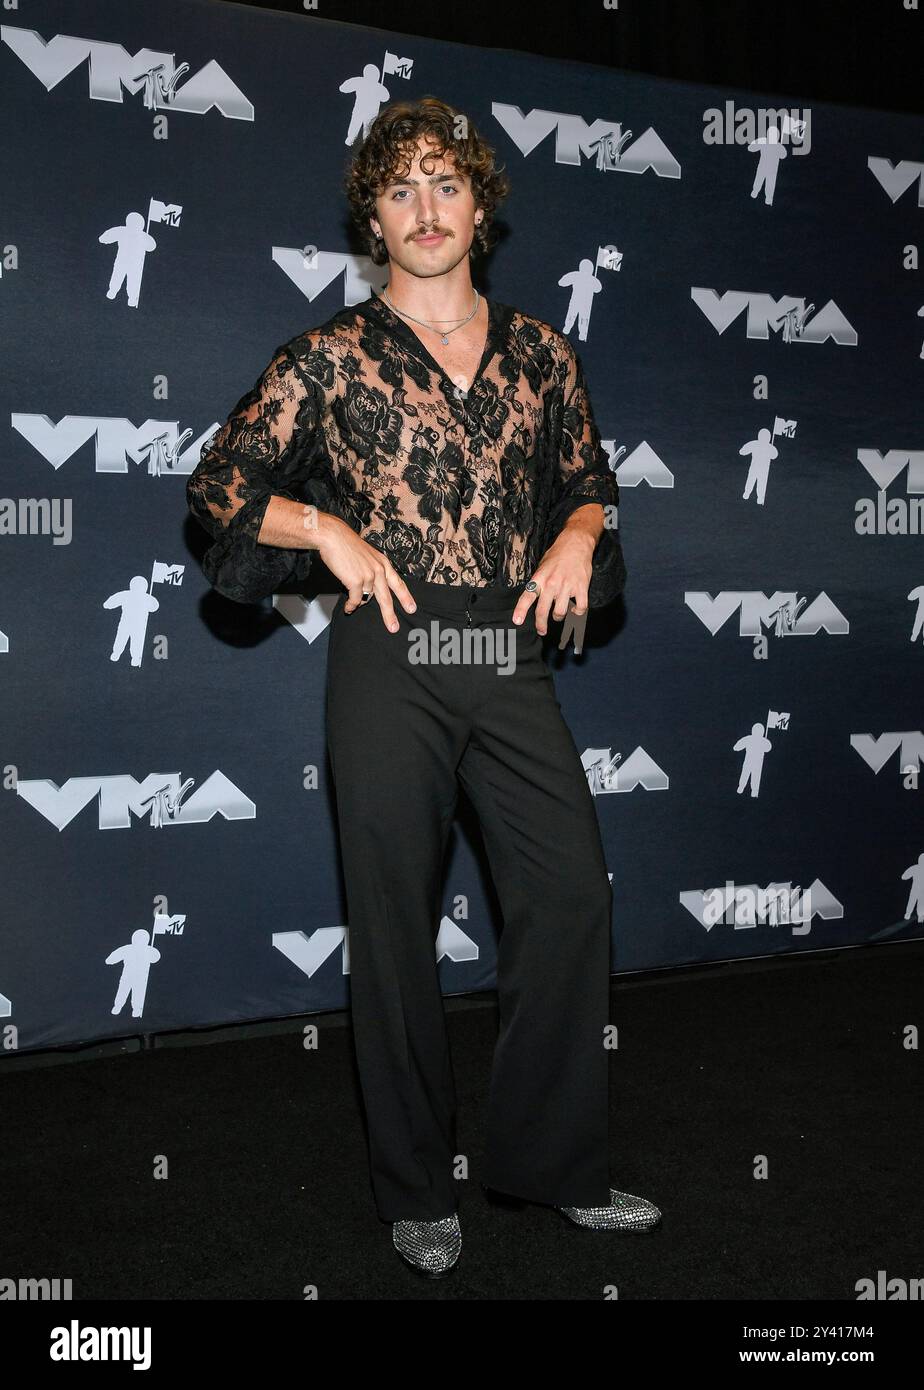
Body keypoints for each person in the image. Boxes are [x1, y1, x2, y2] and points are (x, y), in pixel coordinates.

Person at [186, 95, 660, 1278]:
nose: (425, 207)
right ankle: (414, 1185)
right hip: (390, 650)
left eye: (444, 181)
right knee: (392, 923)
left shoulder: (545, 351)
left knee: (569, 895)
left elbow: (587, 475)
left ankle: (554, 1163)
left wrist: (580, 529)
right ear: (373, 219)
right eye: (398, 188)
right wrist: (328, 532)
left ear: (482, 201)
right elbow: (219, 485)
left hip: (502, 651)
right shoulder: (330, 358)